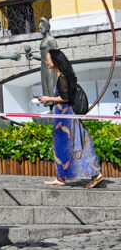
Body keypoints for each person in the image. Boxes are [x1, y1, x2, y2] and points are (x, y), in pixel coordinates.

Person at [40, 49, 104, 189]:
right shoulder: (62, 76)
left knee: (71, 146)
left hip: (65, 119)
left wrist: (48, 98)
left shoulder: (62, 77)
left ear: (55, 61)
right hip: (64, 117)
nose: (46, 62)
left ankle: (94, 174)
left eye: (48, 59)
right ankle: (61, 177)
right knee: (64, 146)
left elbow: (65, 98)